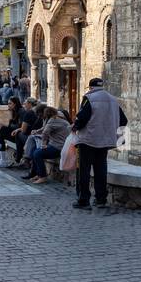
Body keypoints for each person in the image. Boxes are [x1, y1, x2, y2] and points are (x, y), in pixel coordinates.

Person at [71, 77, 129, 211]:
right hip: (105, 142)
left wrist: (75, 127)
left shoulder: (89, 98)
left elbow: (82, 118)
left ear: (90, 87)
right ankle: (101, 199)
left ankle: (84, 200)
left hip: (87, 141)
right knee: (101, 170)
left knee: (83, 171)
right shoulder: (113, 100)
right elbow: (123, 120)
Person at [28, 106, 70, 182]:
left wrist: (43, 144)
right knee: (35, 151)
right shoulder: (57, 118)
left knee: (37, 154)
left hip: (58, 147)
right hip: (59, 145)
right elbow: (45, 128)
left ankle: (42, 176)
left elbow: (45, 133)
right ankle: (38, 174)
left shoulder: (53, 120)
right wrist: (37, 131)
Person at [0, 97, 23, 165]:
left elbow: (20, 127)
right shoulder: (14, 112)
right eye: (8, 103)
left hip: (19, 137)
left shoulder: (21, 112)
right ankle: (0, 157)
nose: (8, 105)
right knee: (2, 131)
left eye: (10, 103)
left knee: (3, 130)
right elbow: (12, 126)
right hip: (15, 135)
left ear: (15, 104)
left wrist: (8, 126)